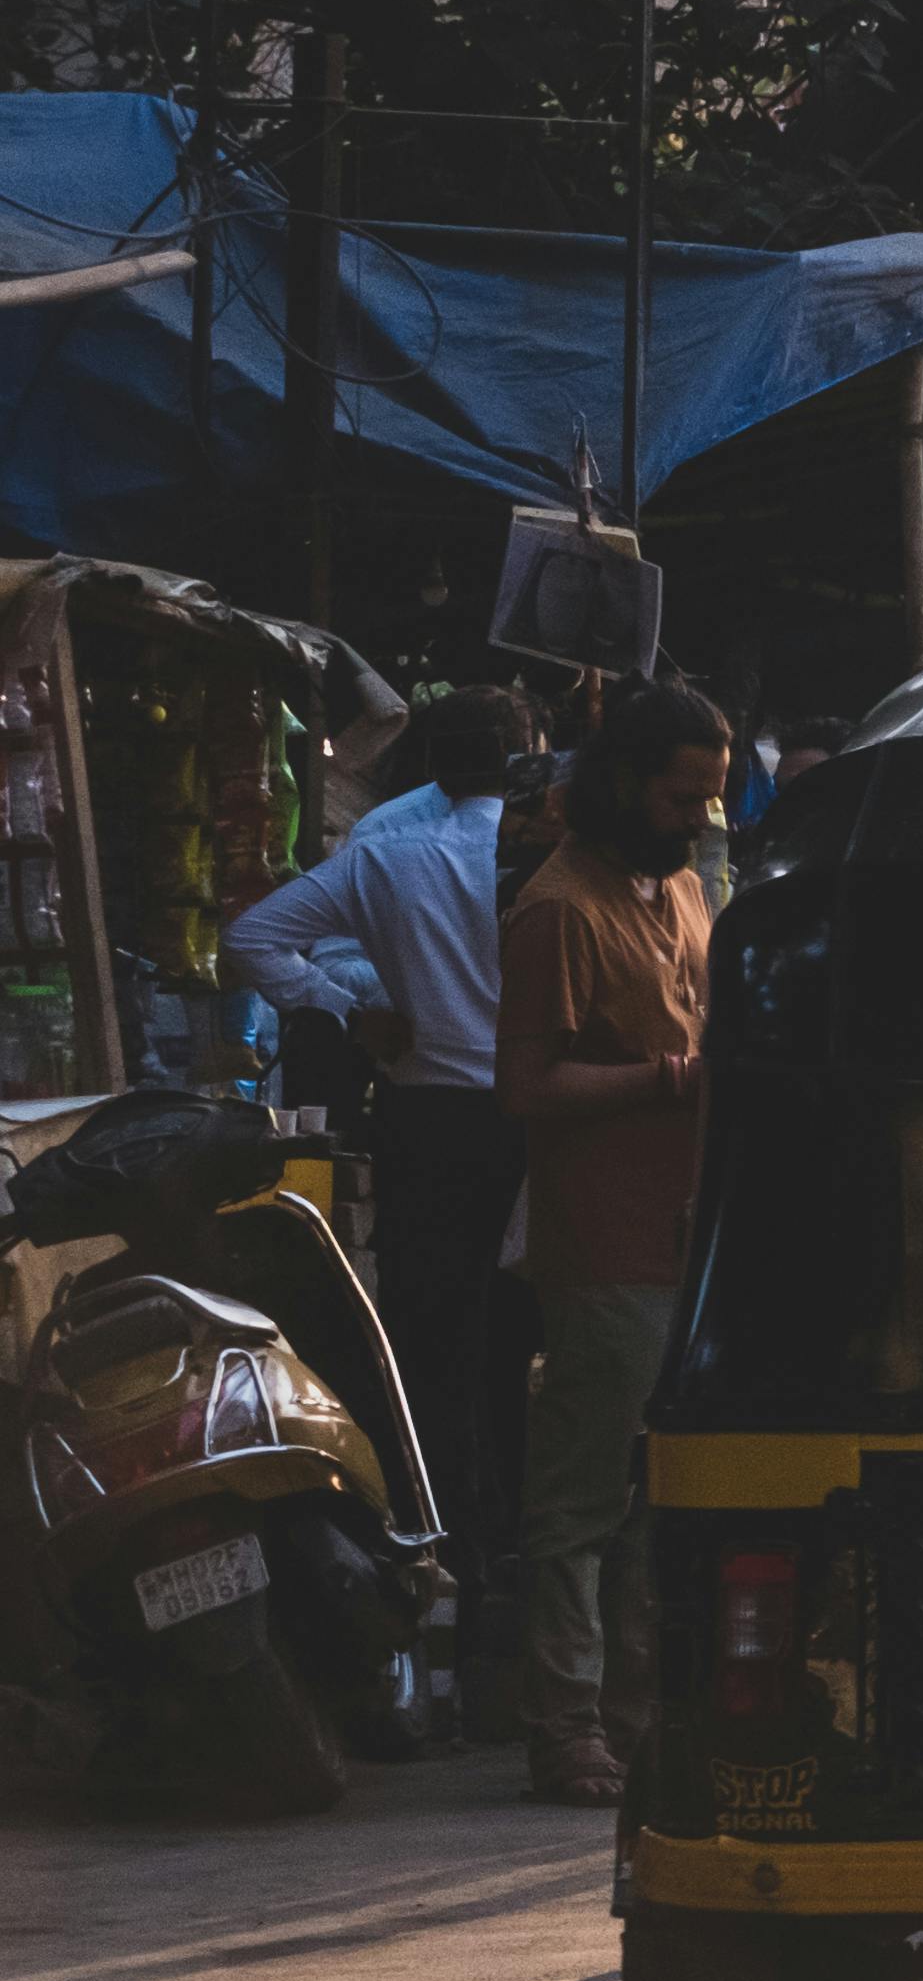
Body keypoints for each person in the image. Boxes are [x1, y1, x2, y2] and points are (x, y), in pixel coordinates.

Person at [223, 685, 536, 1610]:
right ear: (527, 761)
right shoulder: (553, 858)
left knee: (433, 1341)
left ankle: (446, 1539)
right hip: (538, 1113)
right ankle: (515, 1537)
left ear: (434, 768)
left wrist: (353, 1011)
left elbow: (254, 938)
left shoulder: (391, 851)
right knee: (520, 1333)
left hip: (431, 1122)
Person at [494, 675, 728, 1806]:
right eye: (685, 794)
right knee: (582, 1504)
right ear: (629, 782)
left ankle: (639, 1716)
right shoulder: (559, 908)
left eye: (710, 796)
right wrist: (665, 1078)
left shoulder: (680, 891)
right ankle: (566, 1723)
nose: (699, 816)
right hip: (604, 1246)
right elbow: (526, 1083)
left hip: (687, 1241)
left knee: (660, 1496)